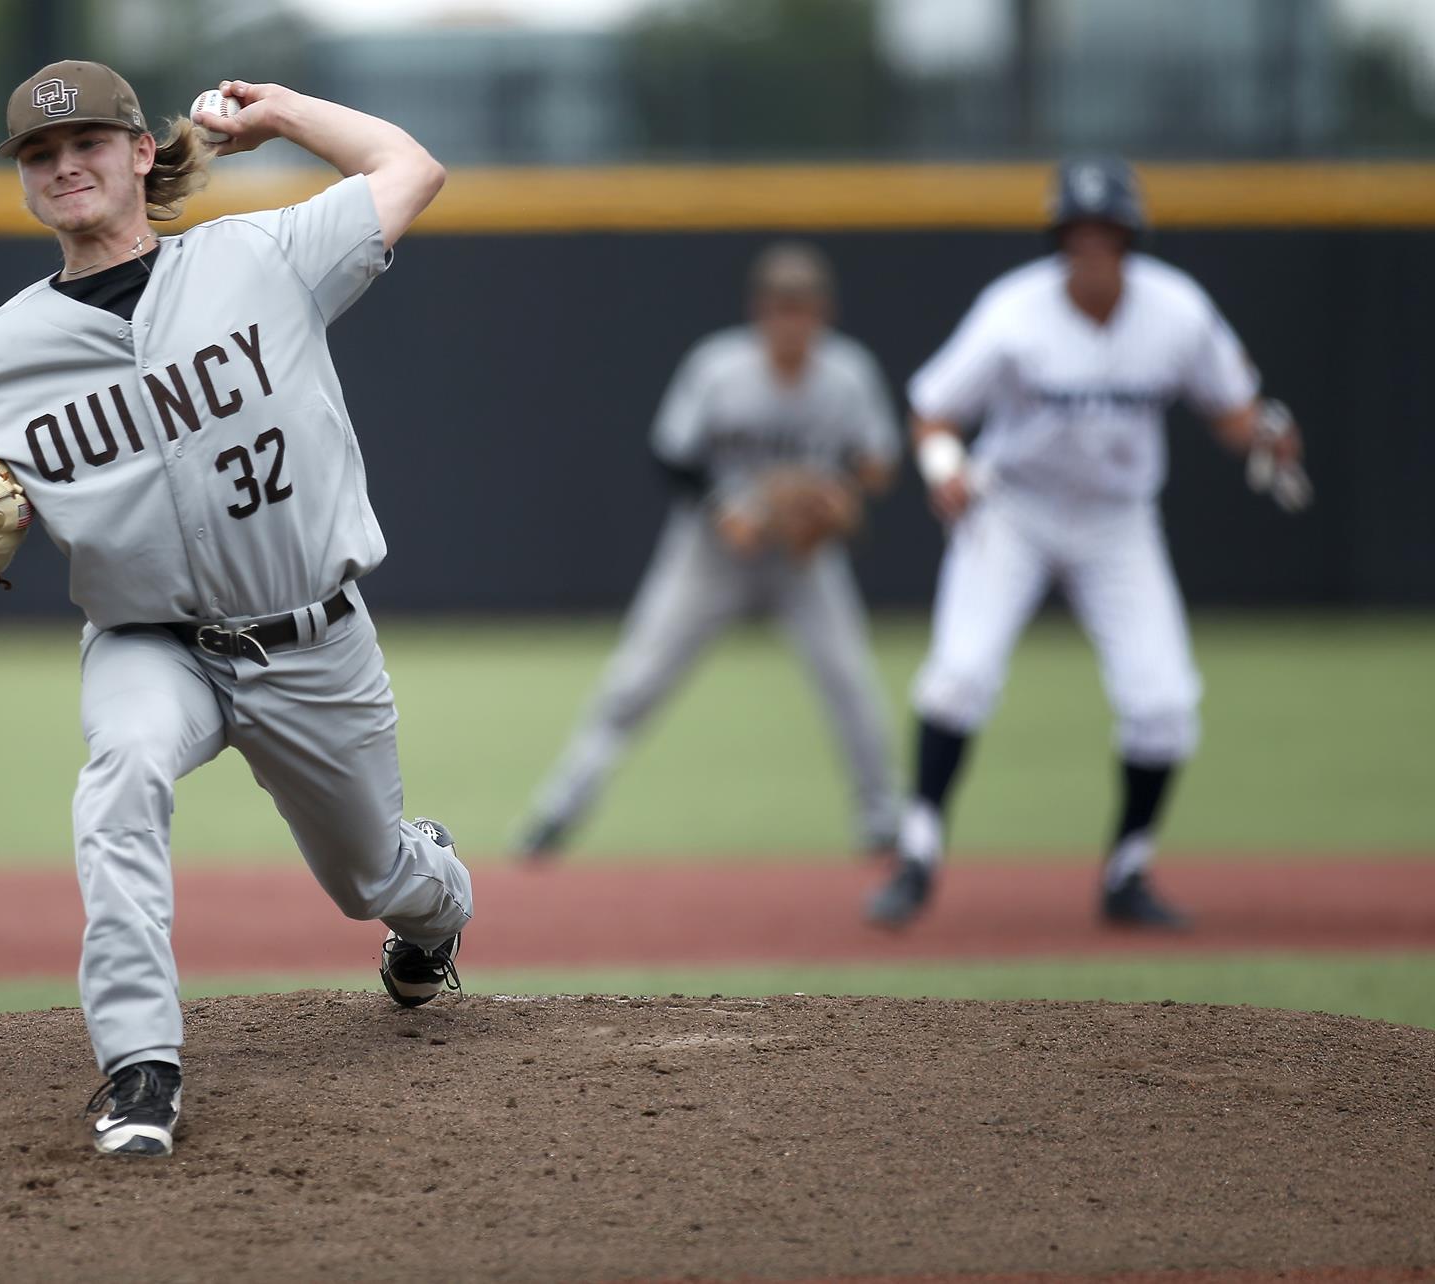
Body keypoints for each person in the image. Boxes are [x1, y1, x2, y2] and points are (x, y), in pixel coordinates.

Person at [0, 62, 474, 1158]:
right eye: (38, 154)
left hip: (309, 637)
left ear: (141, 153)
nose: (62, 165)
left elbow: (407, 167)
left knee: (373, 878)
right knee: (119, 778)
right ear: (26, 183)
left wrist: (280, 115)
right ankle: (140, 1068)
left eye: (85, 142)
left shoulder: (261, 255)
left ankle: (436, 900)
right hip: (148, 644)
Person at [866, 156, 1305, 930]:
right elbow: (931, 410)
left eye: (1108, 230)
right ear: (1059, 237)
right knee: (959, 676)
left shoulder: (1177, 310)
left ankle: (1127, 871)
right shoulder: (1013, 311)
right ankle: (918, 854)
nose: (1093, 245)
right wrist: (944, 466)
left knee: (1163, 703)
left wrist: (1266, 435)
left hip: (1117, 520)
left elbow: (1231, 410)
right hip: (1013, 511)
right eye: (1079, 230)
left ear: (1132, 236)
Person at [516, 243, 905, 862]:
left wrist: (842, 498)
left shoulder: (847, 375)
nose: (791, 322)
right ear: (759, 311)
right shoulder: (721, 367)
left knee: (850, 681)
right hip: (711, 553)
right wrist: (727, 508)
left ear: (823, 313)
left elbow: (877, 462)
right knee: (634, 682)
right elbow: (671, 456)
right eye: (780, 309)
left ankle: (884, 821)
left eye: (802, 309)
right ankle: (558, 811)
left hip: (802, 563)